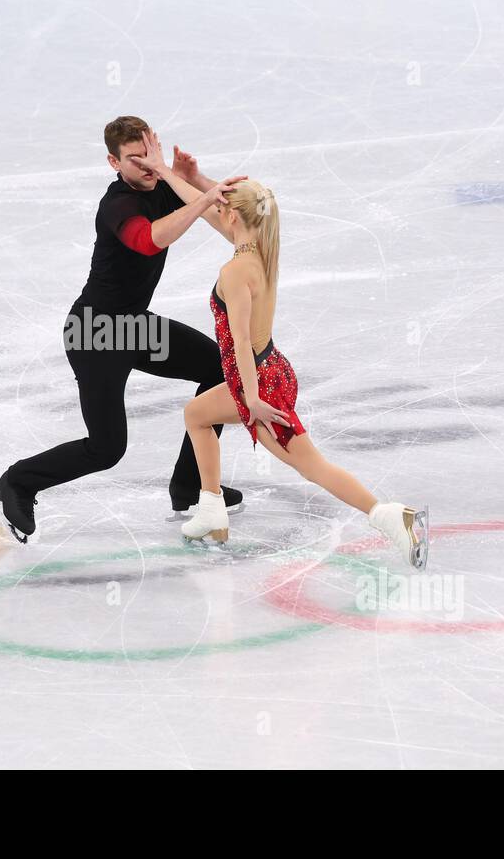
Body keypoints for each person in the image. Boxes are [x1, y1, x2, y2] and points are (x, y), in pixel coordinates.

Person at [129, 159, 428, 568]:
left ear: (232, 215)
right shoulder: (261, 250)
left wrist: (250, 399)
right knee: (197, 414)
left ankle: (393, 517)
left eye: (221, 209)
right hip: (273, 369)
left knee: (310, 466)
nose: (215, 213)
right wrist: (183, 176)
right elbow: (212, 208)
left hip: (258, 382)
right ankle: (211, 509)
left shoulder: (235, 272)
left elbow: (236, 345)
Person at [0, 117, 248, 542]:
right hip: (95, 333)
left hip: (133, 328)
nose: (146, 165)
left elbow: (232, 217)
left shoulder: (163, 183)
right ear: (114, 162)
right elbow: (149, 240)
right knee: (106, 448)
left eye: (150, 155)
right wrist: (195, 197)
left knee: (220, 371)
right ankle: (17, 482)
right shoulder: (117, 205)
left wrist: (192, 177)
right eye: (134, 159)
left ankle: (190, 486)